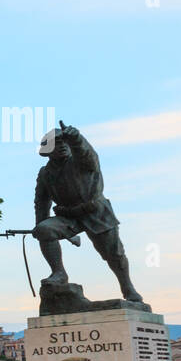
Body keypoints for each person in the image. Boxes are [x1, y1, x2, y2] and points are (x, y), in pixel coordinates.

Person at [32, 122, 142, 302]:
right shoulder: (45, 173)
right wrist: (39, 226)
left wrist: (76, 138)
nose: (62, 146)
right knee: (44, 229)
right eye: (57, 144)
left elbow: (87, 154)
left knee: (114, 254)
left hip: (96, 213)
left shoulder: (81, 161)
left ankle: (127, 287)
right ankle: (59, 273)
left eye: (65, 143)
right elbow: (41, 202)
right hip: (68, 217)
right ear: (48, 151)